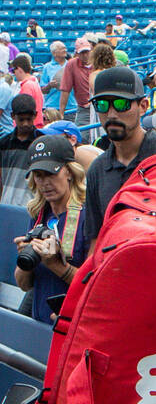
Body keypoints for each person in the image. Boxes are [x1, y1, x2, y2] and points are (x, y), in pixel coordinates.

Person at [78, 67, 156, 256]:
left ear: (143, 106)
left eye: (121, 104)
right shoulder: (98, 169)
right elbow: (96, 240)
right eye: (102, 105)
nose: (111, 114)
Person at [12, 135, 87, 324]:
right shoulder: (39, 215)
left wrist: (54, 263)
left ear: (69, 172)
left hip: (72, 327)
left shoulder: (87, 216)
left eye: (51, 174)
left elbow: (93, 287)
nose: (45, 183)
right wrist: (24, 259)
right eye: (39, 175)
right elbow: (23, 285)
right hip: (40, 322)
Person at [0, 93, 39, 205]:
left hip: (32, 205)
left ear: (35, 115)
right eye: (21, 120)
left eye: (29, 119)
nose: (25, 124)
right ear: (13, 116)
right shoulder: (4, 144)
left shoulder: (40, 143)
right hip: (6, 204)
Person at [57, 37, 94, 126]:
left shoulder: (98, 62)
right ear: (77, 53)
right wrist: (61, 112)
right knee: (81, 135)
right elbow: (66, 89)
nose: (85, 55)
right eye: (82, 53)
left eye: (87, 52)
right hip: (84, 108)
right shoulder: (71, 65)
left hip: (99, 106)